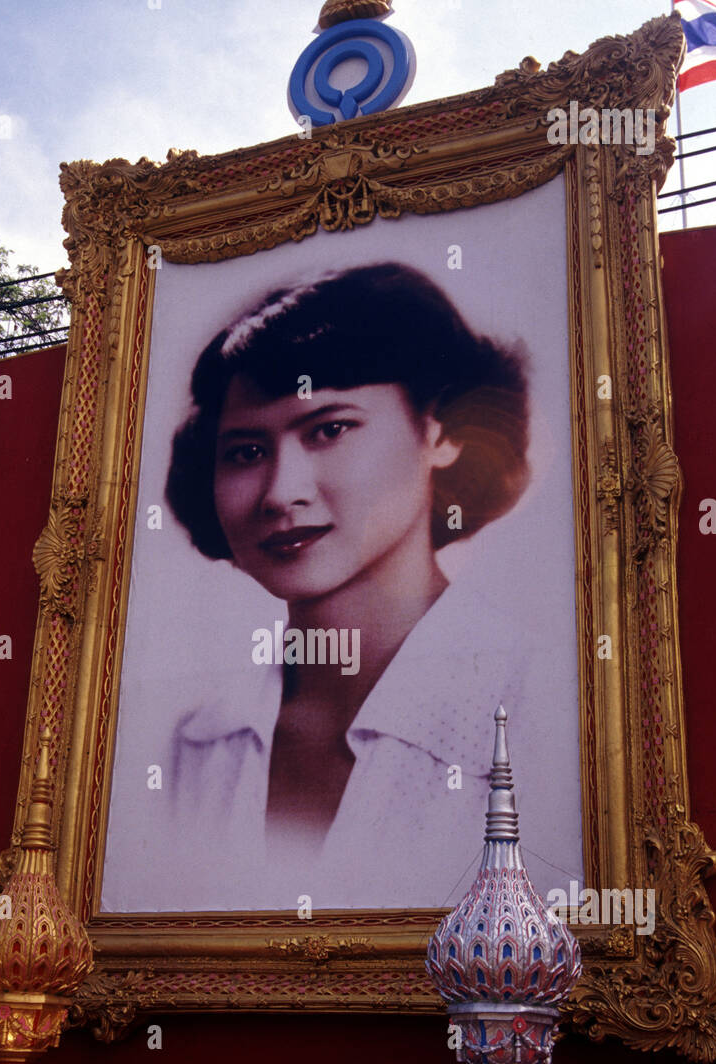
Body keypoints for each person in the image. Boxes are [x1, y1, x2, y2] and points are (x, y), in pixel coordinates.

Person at [162, 261, 535, 909]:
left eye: (330, 429)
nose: (282, 494)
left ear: (439, 431)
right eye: (247, 452)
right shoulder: (198, 745)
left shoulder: (533, 706)